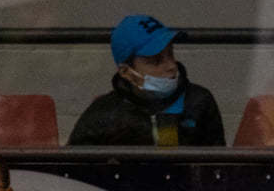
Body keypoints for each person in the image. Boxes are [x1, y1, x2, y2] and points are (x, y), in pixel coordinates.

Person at [68, 14, 225, 147]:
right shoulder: (103, 114)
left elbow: (219, 171)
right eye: (156, 61)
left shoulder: (199, 101)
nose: (171, 66)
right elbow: (72, 175)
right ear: (127, 72)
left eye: (171, 54)